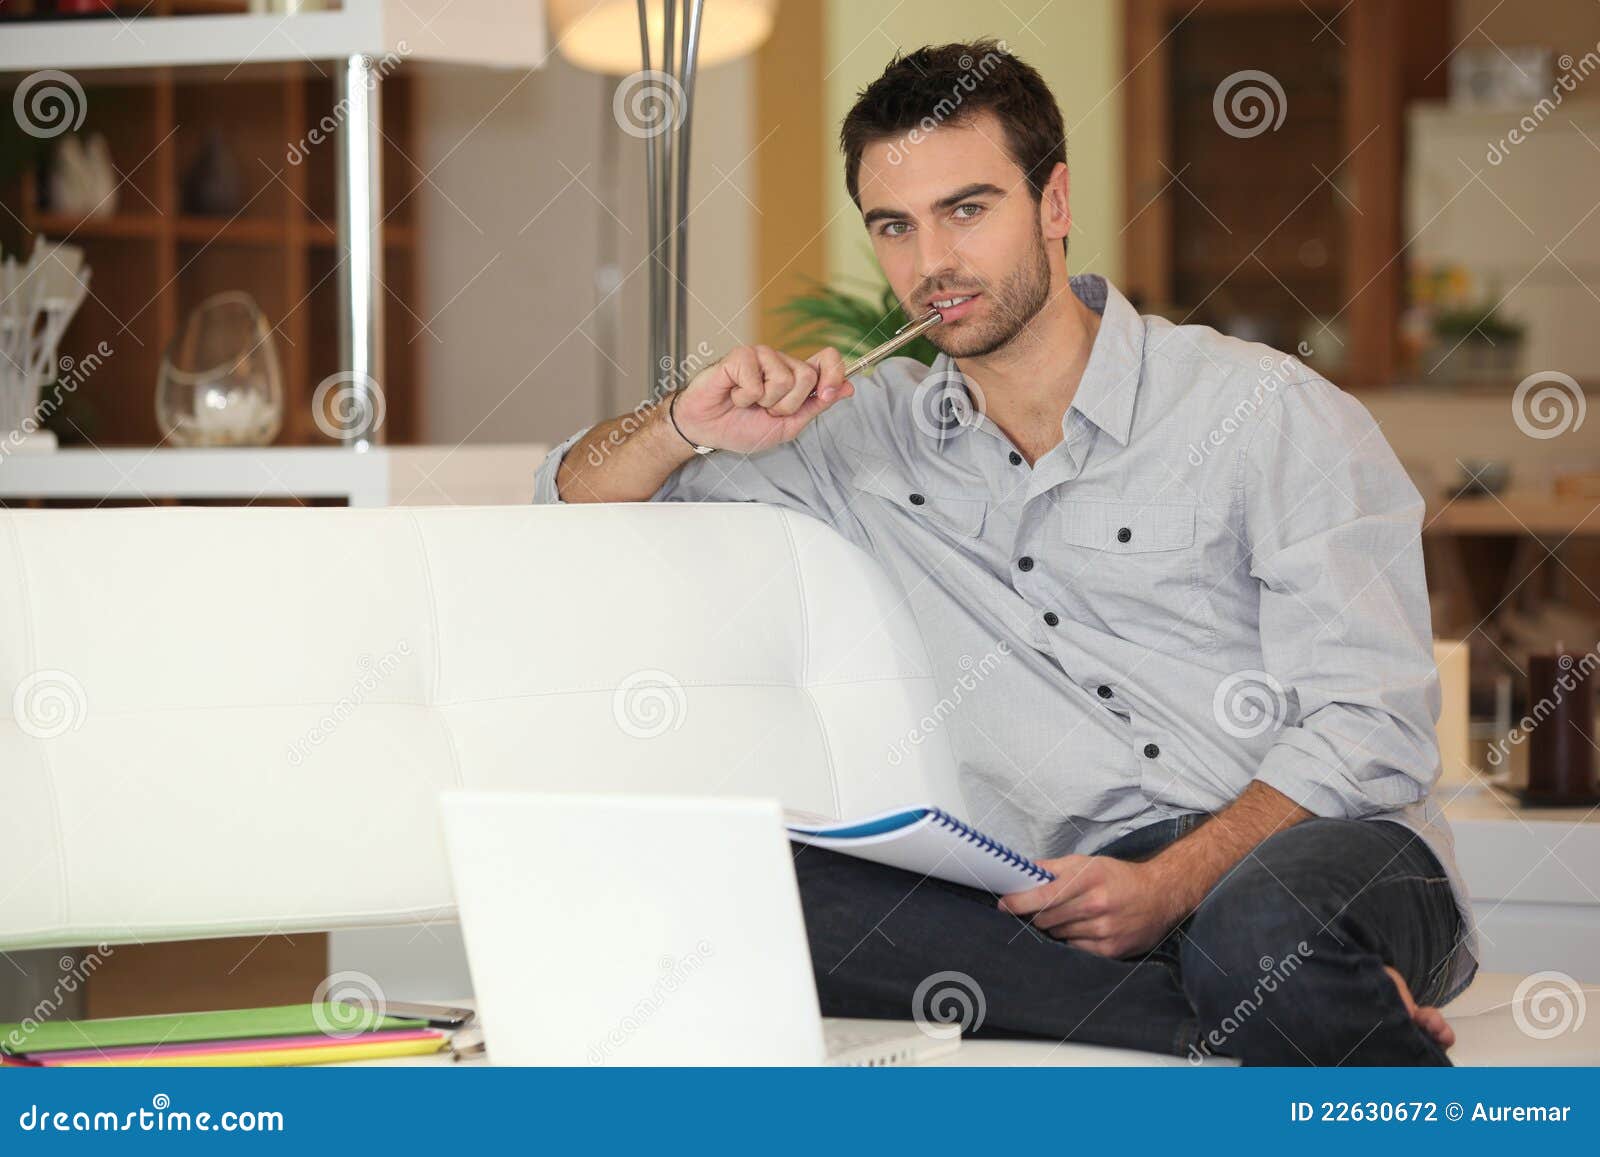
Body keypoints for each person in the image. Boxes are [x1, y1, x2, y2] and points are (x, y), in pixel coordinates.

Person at [533, 40, 1476, 1065]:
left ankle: (1261, 982)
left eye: (967, 209)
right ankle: (1232, 1018)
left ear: (1054, 202)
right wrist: (685, 422)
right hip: (1065, 895)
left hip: (1314, 847)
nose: (931, 262)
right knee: (764, 889)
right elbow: (567, 495)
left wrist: (1170, 884)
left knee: (1258, 934)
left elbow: (1368, 722)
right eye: (895, 226)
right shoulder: (855, 439)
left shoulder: (1263, 409)